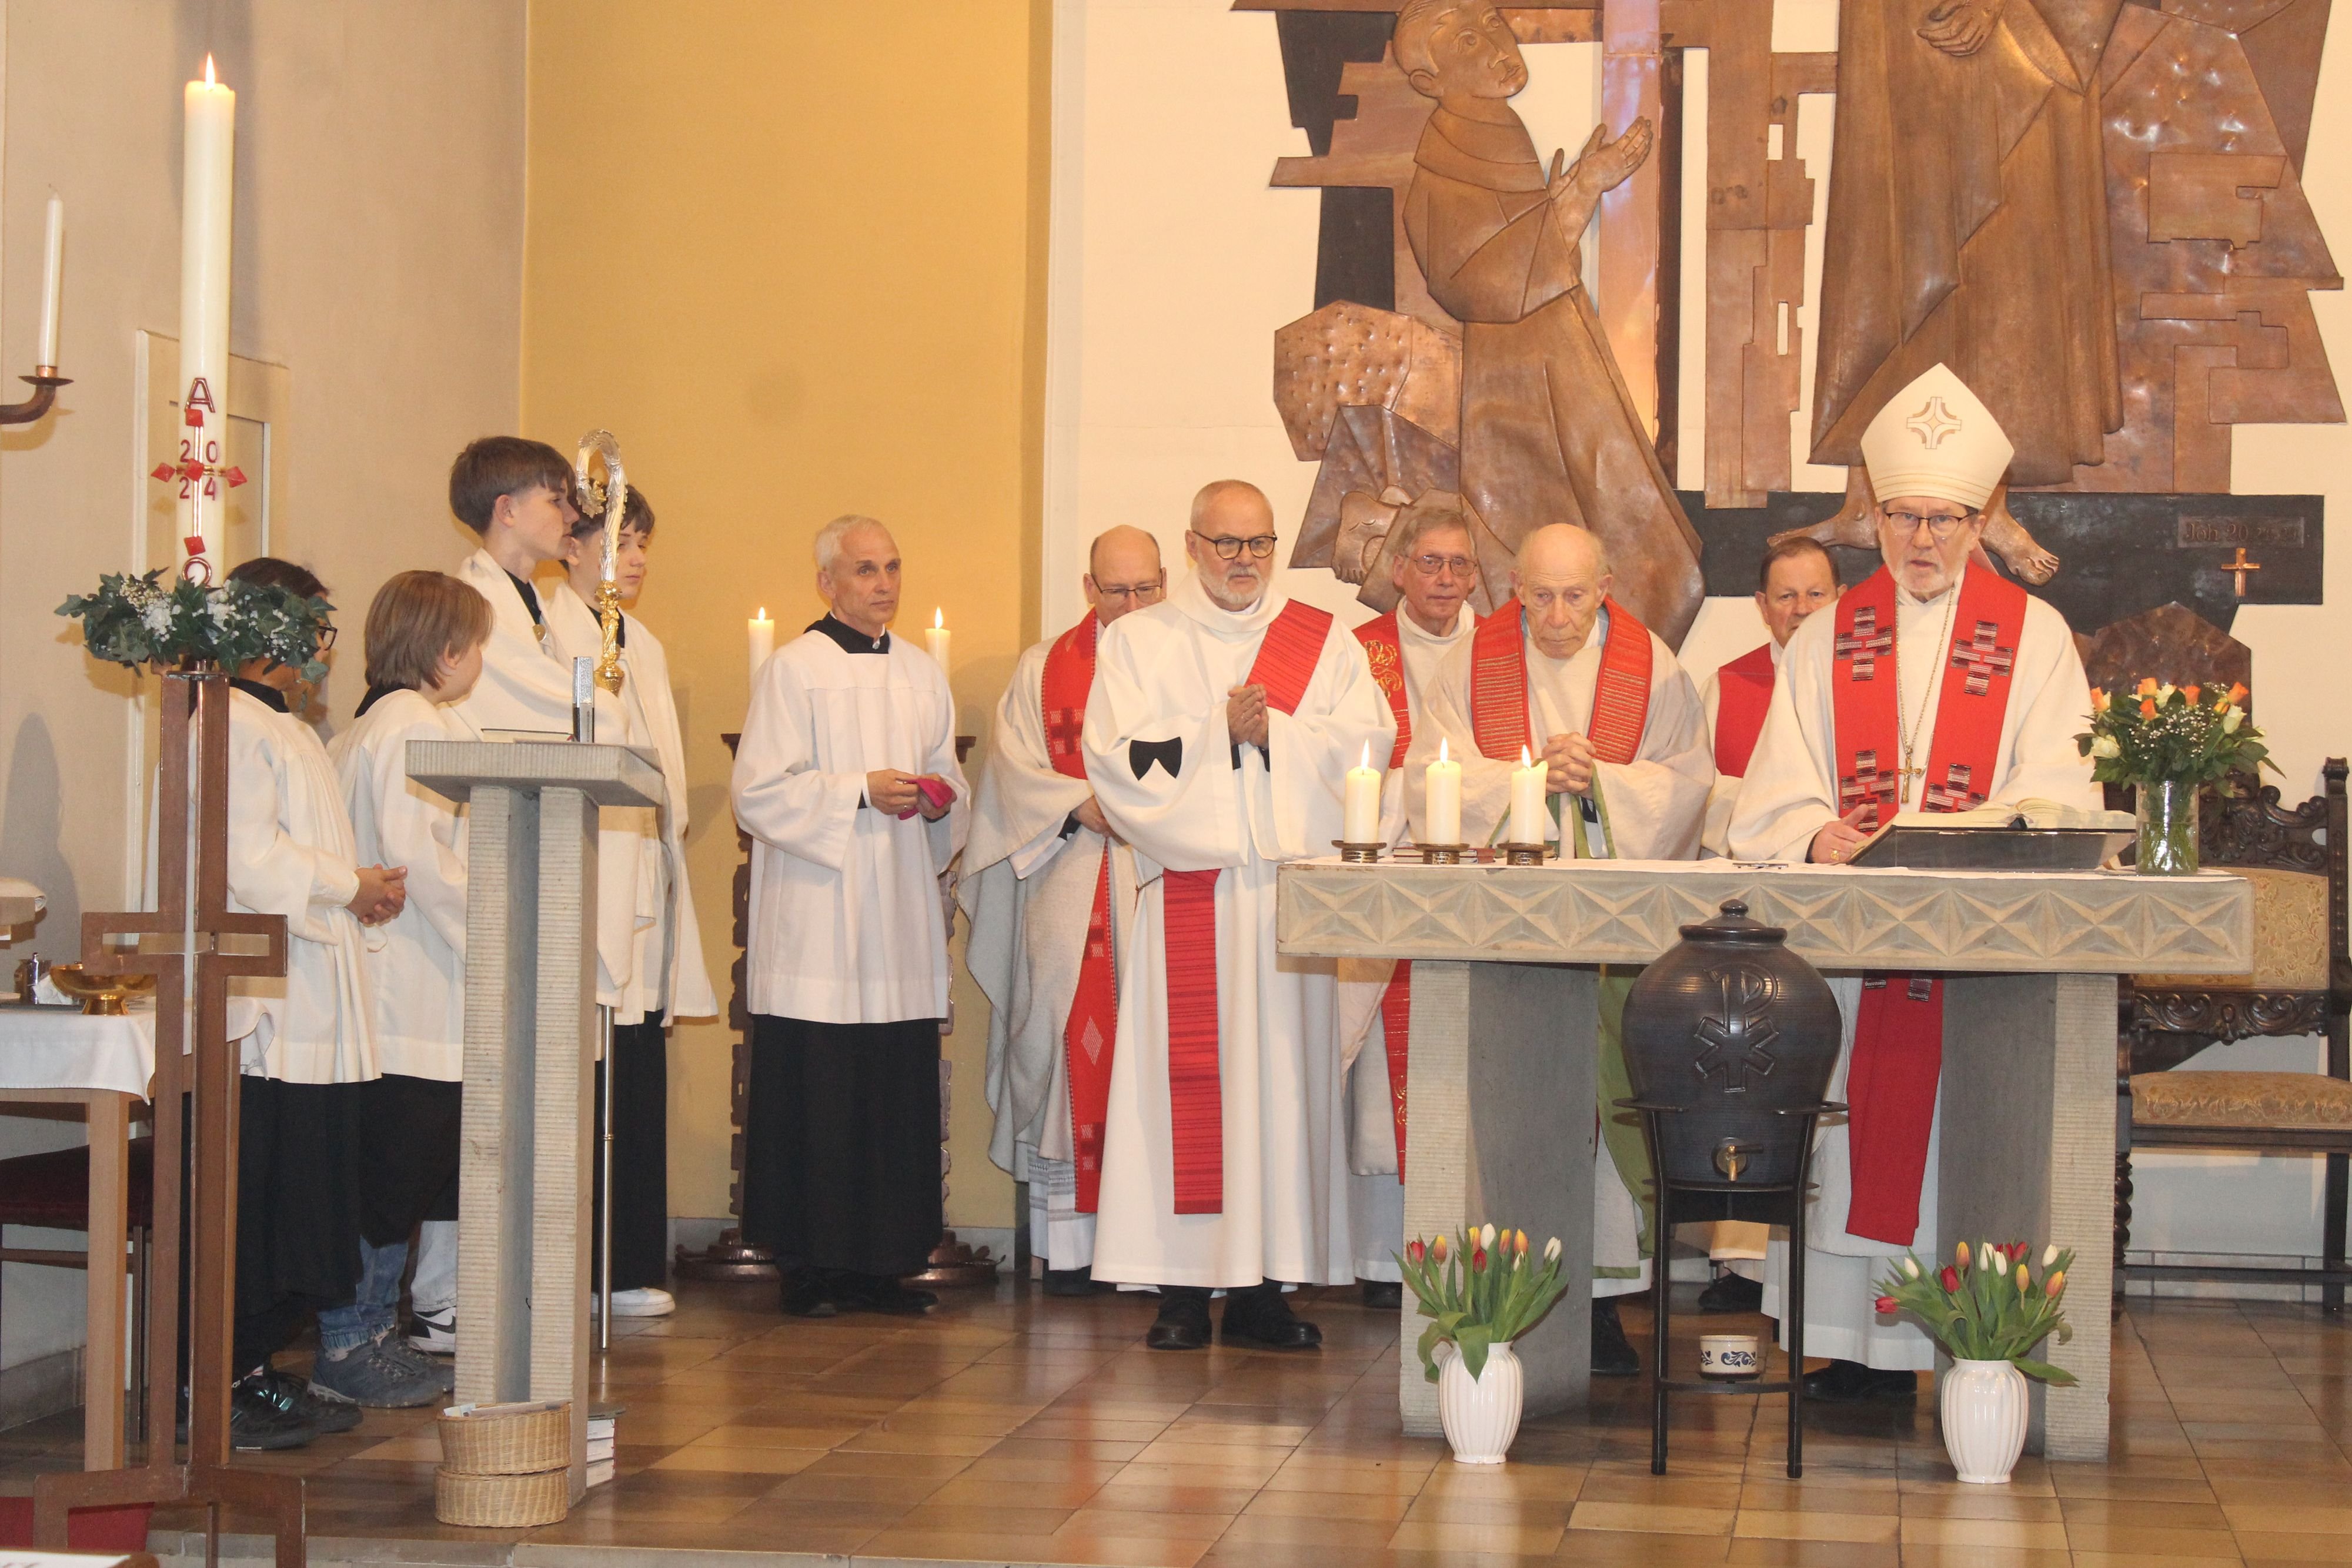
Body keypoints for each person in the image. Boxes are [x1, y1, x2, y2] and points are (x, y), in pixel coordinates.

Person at [1729, 362, 2100, 1400]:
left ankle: (1969, 1344)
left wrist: (1960, 835)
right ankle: (1856, 1349)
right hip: (1853, 955)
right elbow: (1772, 790)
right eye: (1902, 517)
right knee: (1854, 1142)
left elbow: (2060, 791)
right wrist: (1817, 836)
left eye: (1944, 518)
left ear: (1981, 519)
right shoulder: (1826, 639)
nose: (1923, 540)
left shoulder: (2035, 639)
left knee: (1956, 1148)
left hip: (1977, 961)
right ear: (1875, 519)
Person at [1081, 479, 1393, 1352]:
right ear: (1191, 545)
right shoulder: (1140, 641)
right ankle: (1182, 1286)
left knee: (1281, 1092)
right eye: (1226, 544)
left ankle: (1266, 1284)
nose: (1244, 560)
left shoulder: (1321, 638)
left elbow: (1367, 746)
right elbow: (1114, 758)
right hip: (1192, 892)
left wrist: (1275, 735)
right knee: (1183, 1092)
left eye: (1257, 543)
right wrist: (1219, 729)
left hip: (1287, 902)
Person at [1404, 523, 1710, 1373]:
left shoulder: (1654, 668)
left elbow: (1690, 778)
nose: (1558, 613)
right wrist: (1530, 776)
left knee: (1601, 1106)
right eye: (1540, 594)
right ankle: (1508, 1288)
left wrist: (1604, 780)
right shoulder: (1469, 664)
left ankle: (1605, 1306)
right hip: (1505, 929)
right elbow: (1427, 775)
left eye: (1576, 594)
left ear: (1606, 585)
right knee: (1519, 1101)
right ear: (1512, 584)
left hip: (1616, 942)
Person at [1391, 0, 1703, 644]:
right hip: (1518, 387)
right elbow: (1483, 281)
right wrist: (1584, 189)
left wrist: (1574, 193)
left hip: (1557, 352)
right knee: (1556, 524)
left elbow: (1518, 253)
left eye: (1495, 25)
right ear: (1428, 83)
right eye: (1468, 40)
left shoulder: (1494, 130)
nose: (1495, 45)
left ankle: (1623, 656)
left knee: (1625, 518)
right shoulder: (1442, 170)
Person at [412, 435, 625, 1356]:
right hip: (479, 863)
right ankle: (444, 1298)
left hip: (525, 855)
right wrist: (605, 712)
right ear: (507, 508)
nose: (569, 515)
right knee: (479, 1090)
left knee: (507, 1087)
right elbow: (567, 709)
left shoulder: (537, 602)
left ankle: (491, 1287)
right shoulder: (474, 605)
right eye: (553, 499)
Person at [731, 515, 968, 1319]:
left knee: (891, 1087)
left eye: (894, 567)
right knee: (820, 1088)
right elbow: (758, 791)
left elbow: (948, 778)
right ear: (827, 583)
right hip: (820, 914)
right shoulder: (795, 671)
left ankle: (885, 1262)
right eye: (866, 569)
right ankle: (811, 1267)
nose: (885, 584)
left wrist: (940, 796)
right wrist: (857, 790)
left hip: (895, 906)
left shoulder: (921, 673)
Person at [218, 557, 407, 1447]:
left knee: (306, 1208)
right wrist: (350, 880)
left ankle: (256, 1368)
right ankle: (216, 1382)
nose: (324, 650)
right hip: (269, 1016)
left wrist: (358, 889)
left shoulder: (281, 727)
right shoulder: (227, 723)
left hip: (316, 1003)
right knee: (263, 1206)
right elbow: (247, 860)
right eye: (315, 629)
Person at [963, 527, 1165, 1295]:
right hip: (1069, 869)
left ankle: (1150, 1253)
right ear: (1089, 587)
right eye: (1116, 590)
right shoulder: (1045, 668)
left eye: (1145, 587)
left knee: (1155, 1047)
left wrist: (1152, 812)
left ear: (1165, 581)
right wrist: (1082, 803)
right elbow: (1014, 765)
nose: (1132, 604)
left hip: (1157, 881)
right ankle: (1072, 1248)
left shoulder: (1195, 662)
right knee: (1059, 1034)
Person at [544, 488, 721, 1318]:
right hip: (590, 868)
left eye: (645, 541)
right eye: (621, 540)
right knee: (581, 1066)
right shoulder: (548, 631)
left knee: (635, 1061)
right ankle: (573, 1267)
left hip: (643, 864)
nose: (639, 557)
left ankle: (628, 1259)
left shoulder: (639, 640)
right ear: (570, 545)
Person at [320, 571, 493, 1407]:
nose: (481, 660)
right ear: (447, 650)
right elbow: (417, 858)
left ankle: (371, 1332)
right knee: (393, 1173)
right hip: (409, 984)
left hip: (394, 981)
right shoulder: (413, 724)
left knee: (396, 1171)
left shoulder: (369, 723)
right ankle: (355, 1339)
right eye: (479, 644)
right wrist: (500, 925)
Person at [1688, 537, 1843, 1315]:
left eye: (1816, 594)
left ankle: (1821, 1269)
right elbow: (1704, 796)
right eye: (1785, 596)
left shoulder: (1860, 678)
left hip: (1841, 914)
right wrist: (1765, 815)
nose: (1801, 610)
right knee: (1750, 1075)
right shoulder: (1733, 683)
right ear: (1761, 606)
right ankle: (1740, 1264)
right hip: (1758, 915)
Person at [1335, 502, 1478, 1309]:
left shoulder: (1500, 652)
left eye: (1460, 565)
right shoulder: (1356, 655)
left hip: (1473, 885)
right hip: (1388, 877)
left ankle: (1463, 1248)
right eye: (1431, 563)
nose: (1446, 581)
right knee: (1379, 1078)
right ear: (1398, 570)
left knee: (1460, 1067)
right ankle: (1386, 1259)